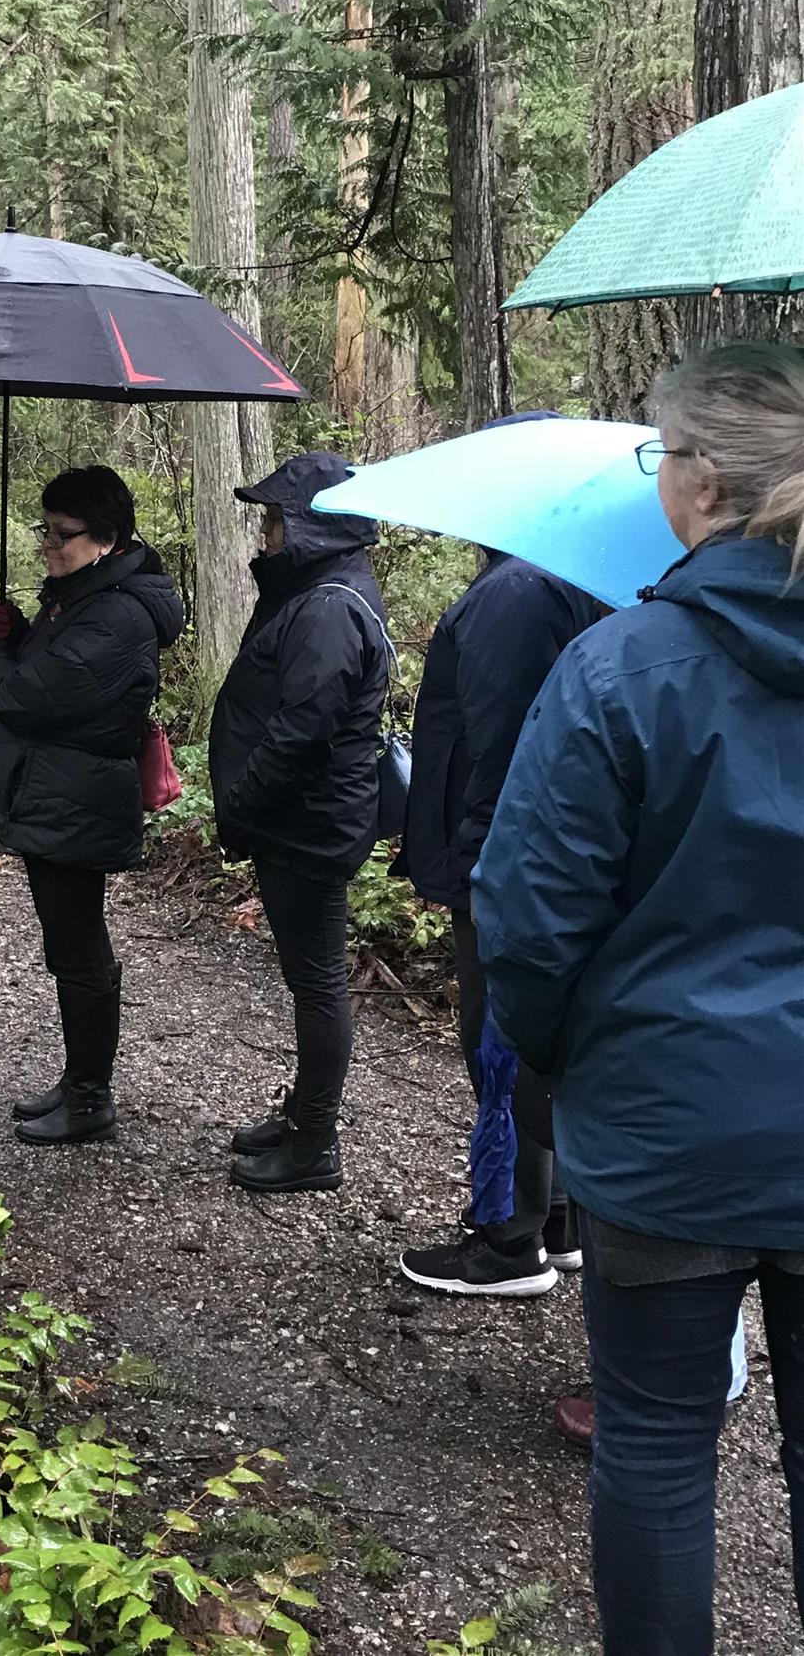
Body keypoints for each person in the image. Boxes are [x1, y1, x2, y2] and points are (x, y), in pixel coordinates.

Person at [474, 344, 804, 1653]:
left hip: (666, 1124)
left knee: (659, 1446)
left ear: (702, 481)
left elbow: (526, 918)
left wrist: (572, 1060)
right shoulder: (623, 661)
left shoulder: (618, 667)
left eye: (661, 453)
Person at [394, 423, 608, 1297]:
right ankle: (555, 1219)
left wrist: (485, 867)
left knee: (498, 1045)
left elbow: (504, 747)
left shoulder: (515, 591)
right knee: (529, 1042)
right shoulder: (559, 579)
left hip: (508, 864)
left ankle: (506, 1240)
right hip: (540, 858)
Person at [0, 465, 184, 1146]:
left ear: (107, 539)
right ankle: (80, 1081)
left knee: (80, 948)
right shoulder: (83, 595)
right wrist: (16, 635)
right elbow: (42, 672)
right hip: (59, 790)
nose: (47, 546)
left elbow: (26, 695)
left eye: (62, 534)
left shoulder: (117, 615)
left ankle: (90, 1097)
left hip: (78, 797)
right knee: (69, 944)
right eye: (45, 530)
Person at [208, 453, 391, 1194]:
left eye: (277, 520)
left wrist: (242, 799)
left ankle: (314, 1141)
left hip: (308, 823)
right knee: (308, 979)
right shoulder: (320, 592)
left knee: (317, 984)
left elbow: (302, 729)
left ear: (314, 526)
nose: (267, 534)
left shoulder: (328, 608)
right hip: (304, 818)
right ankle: (303, 1120)